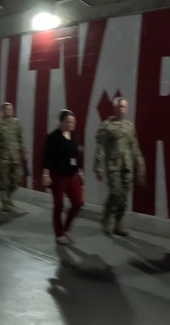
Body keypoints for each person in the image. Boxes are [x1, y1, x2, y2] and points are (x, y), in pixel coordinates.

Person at [93, 97, 145, 237]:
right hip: (113, 166)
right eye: (119, 106)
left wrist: (140, 163)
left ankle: (118, 223)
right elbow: (101, 148)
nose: (121, 109)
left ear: (126, 109)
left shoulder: (129, 126)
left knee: (124, 197)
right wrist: (98, 166)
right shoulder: (107, 126)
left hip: (127, 166)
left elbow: (134, 147)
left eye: (124, 107)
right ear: (114, 108)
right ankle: (106, 216)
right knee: (115, 193)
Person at [43, 110, 85, 244]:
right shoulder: (53, 137)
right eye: (68, 122)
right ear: (61, 122)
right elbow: (47, 157)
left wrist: (79, 171)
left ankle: (66, 229)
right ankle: (59, 233)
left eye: (72, 122)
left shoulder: (73, 136)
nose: (70, 124)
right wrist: (46, 174)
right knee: (59, 205)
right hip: (58, 176)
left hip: (72, 175)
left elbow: (75, 155)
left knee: (78, 202)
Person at [0, 102, 27, 212]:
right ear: (3, 110)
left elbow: (20, 138)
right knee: (4, 181)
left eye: (11, 109)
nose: (10, 111)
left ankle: (8, 196)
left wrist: (24, 151)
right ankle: (5, 202)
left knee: (17, 179)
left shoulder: (16, 123)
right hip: (3, 156)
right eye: (8, 109)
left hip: (15, 156)